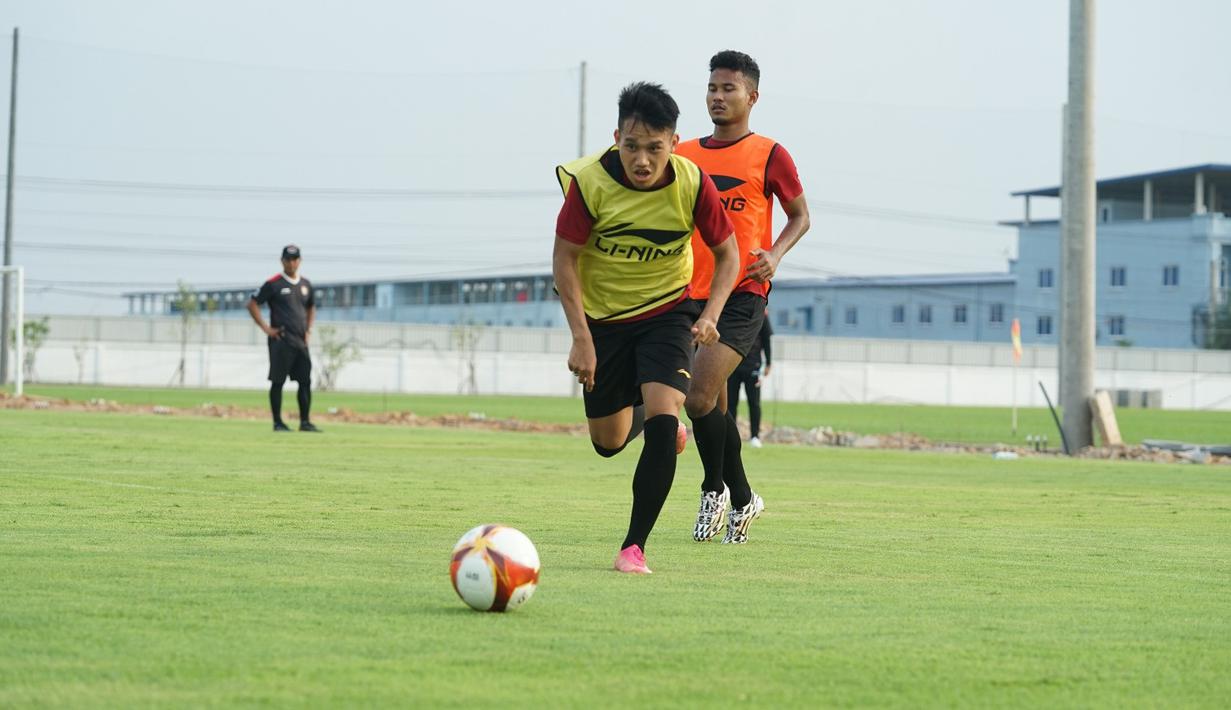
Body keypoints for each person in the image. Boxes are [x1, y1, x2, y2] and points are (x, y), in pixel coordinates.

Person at [554, 81, 739, 574]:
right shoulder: (589, 183)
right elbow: (564, 261)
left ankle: (633, 548)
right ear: (617, 138)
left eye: (654, 148)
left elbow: (728, 255)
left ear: (673, 144)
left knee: (663, 417)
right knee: (608, 442)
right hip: (605, 320)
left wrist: (710, 314)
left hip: (667, 312)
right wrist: (582, 338)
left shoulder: (692, 183)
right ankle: (656, 419)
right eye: (632, 146)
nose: (642, 159)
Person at [675, 50, 810, 544]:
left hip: (742, 294)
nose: (717, 96)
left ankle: (718, 489)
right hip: (688, 293)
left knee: (698, 396)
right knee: (716, 407)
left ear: (752, 96)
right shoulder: (683, 153)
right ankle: (739, 495)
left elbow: (801, 216)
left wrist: (775, 255)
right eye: (712, 87)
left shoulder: (770, 153)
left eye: (729, 89)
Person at [246, 244, 322, 433]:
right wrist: (266, 328)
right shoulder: (274, 283)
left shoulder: (306, 284)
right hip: (281, 340)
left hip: (300, 341)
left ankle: (305, 422)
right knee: (278, 381)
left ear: (300, 261)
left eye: (295, 259)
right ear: (282, 261)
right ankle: (278, 422)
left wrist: (308, 329)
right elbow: (252, 304)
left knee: (305, 382)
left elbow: (312, 307)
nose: (292, 263)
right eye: (288, 259)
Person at [727, 312, 772, 448]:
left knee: (754, 402)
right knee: (730, 403)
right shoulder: (732, 311)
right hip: (732, 364)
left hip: (753, 364)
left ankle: (755, 436)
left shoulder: (762, 315)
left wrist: (769, 362)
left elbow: (766, 339)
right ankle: (730, 436)